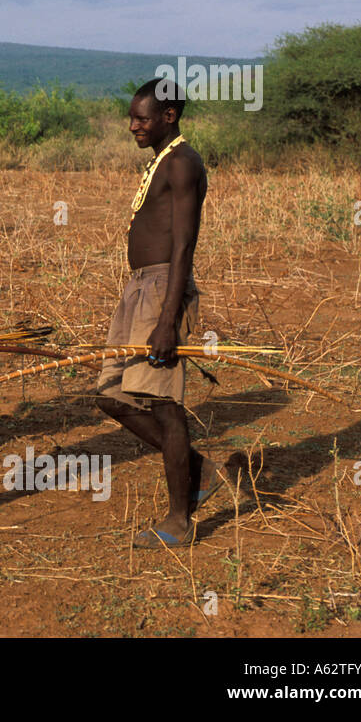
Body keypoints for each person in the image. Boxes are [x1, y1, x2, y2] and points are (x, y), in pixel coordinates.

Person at [95, 76, 233, 547]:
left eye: (142, 118)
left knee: (164, 405)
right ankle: (198, 469)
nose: (132, 125)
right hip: (140, 288)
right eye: (132, 116)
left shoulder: (182, 163)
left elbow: (183, 245)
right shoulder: (162, 161)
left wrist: (168, 319)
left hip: (161, 290)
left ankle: (179, 521)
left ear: (168, 117)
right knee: (111, 394)